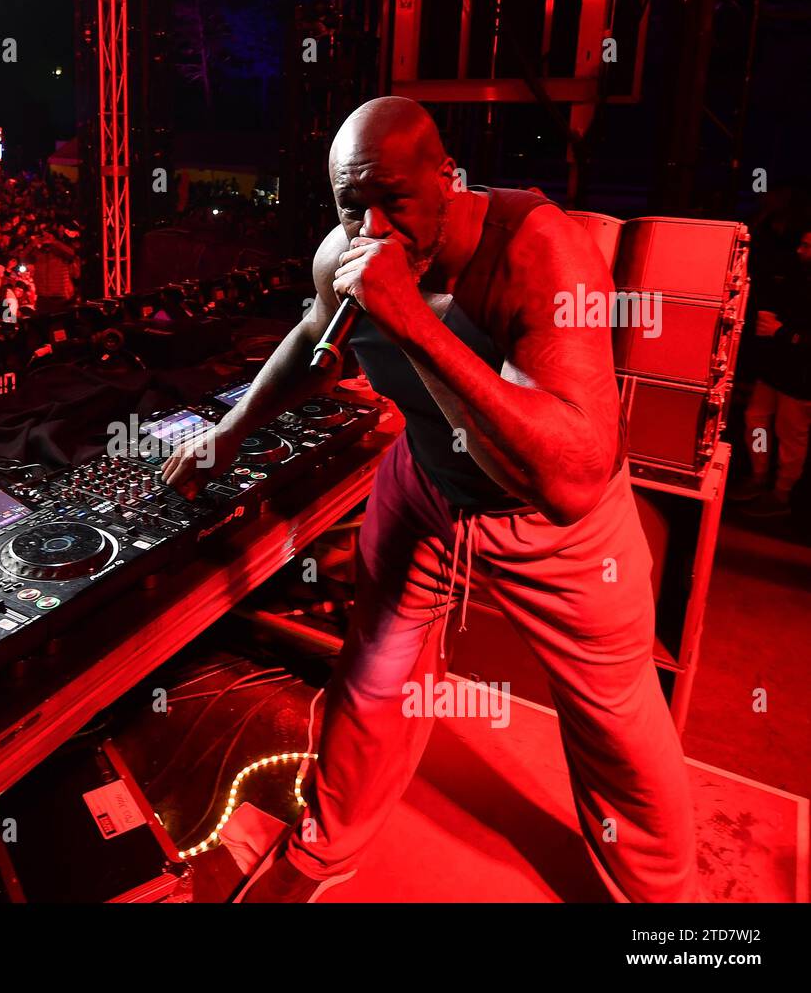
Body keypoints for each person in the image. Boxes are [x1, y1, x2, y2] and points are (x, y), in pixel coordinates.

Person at [162, 97, 700, 903]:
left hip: (559, 536)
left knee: (616, 721)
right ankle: (329, 845)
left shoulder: (542, 252)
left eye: (394, 200)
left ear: (447, 179)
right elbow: (314, 341)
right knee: (373, 672)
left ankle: (667, 904)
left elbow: (570, 480)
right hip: (426, 490)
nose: (372, 227)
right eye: (352, 206)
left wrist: (413, 322)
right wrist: (230, 432)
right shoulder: (344, 253)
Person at [730, 227, 811, 517]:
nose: (799, 251)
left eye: (806, 246)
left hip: (802, 380)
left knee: (791, 437)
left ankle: (782, 493)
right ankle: (759, 474)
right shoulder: (796, 276)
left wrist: (783, 333)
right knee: (757, 420)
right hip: (776, 369)